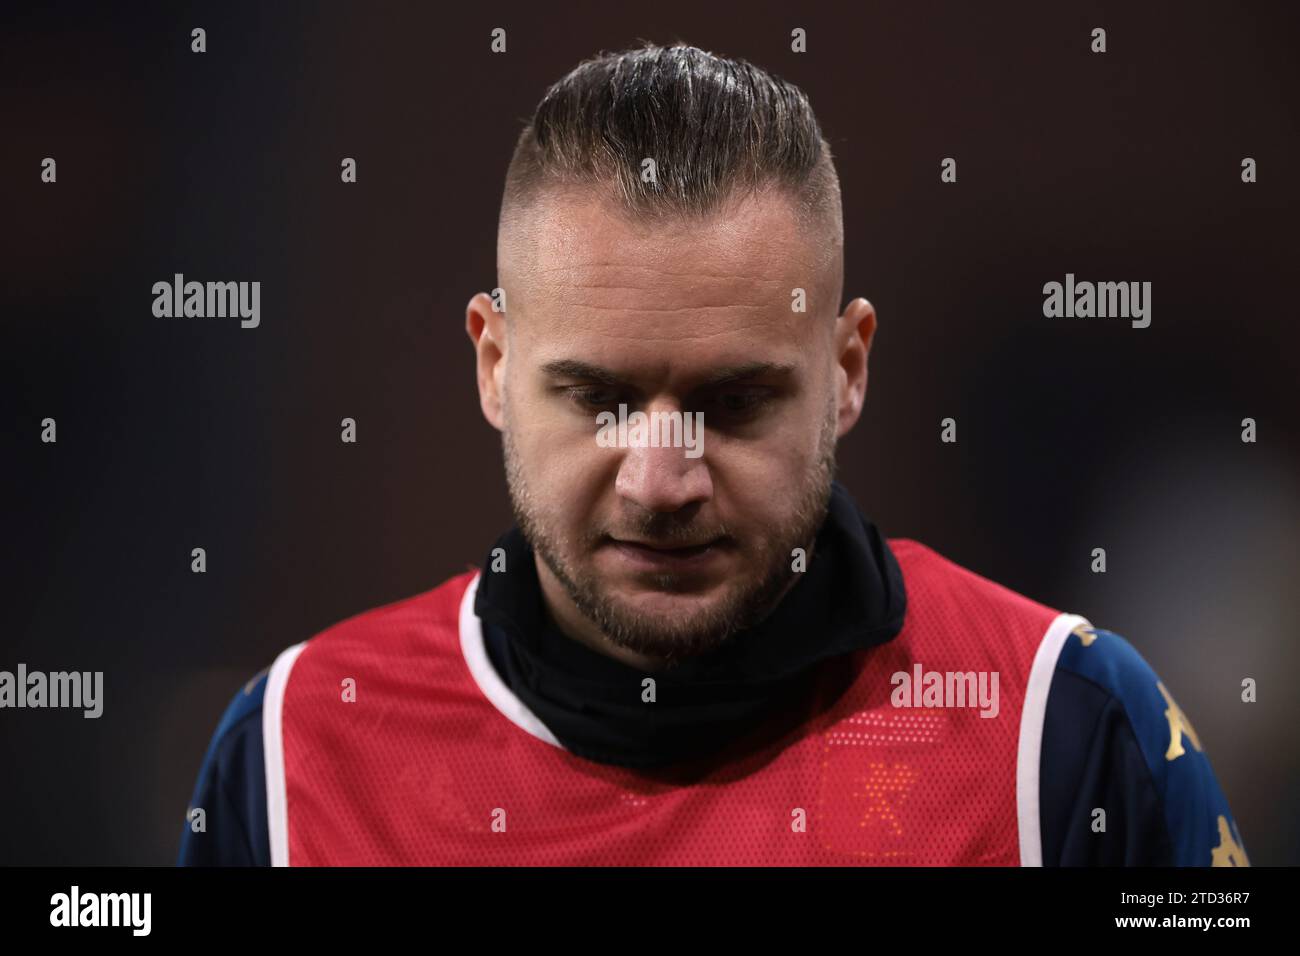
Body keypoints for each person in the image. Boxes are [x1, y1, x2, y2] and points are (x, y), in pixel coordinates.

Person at [178, 42, 1247, 867]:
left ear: (846, 369)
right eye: (597, 398)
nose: (660, 479)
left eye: (733, 402)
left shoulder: (1063, 729)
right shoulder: (292, 752)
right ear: (494, 364)